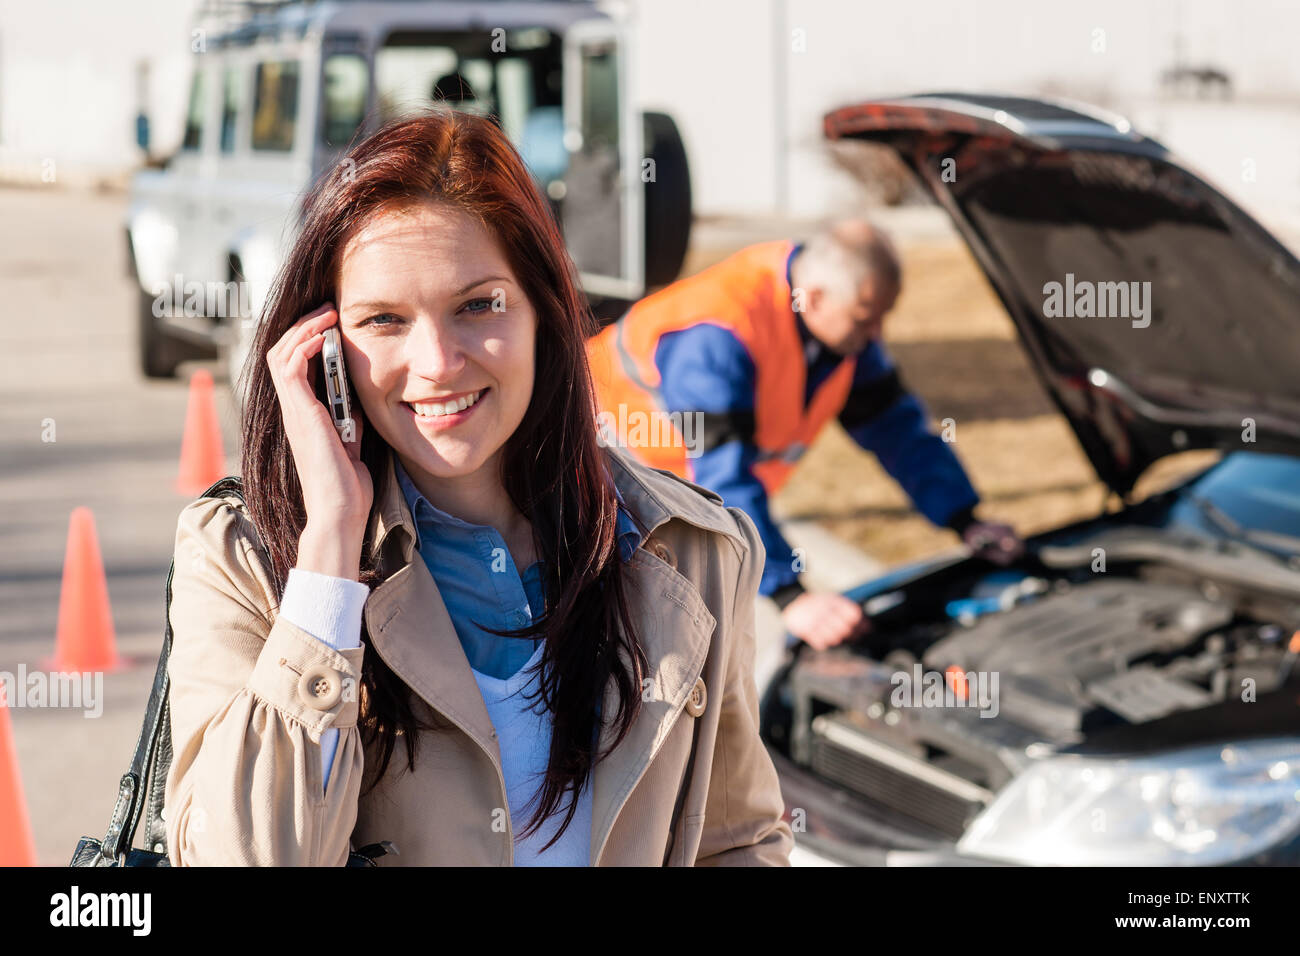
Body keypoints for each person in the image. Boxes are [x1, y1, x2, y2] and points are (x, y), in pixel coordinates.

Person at [162, 109, 792, 866]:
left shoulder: (689, 550)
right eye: (384, 320)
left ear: (542, 313)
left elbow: (739, 839)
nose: (436, 362)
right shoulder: (244, 560)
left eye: (478, 305)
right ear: (326, 351)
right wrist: (328, 555)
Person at [587, 220, 1023, 653]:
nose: (877, 335)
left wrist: (966, 518)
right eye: (866, 319)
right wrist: (789, 596)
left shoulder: (843, 330)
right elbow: (721, 477)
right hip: (597, 479)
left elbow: (899, 433)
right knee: (640, 647)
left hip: (674, 494)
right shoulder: (719, 334)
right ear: (813, 299)